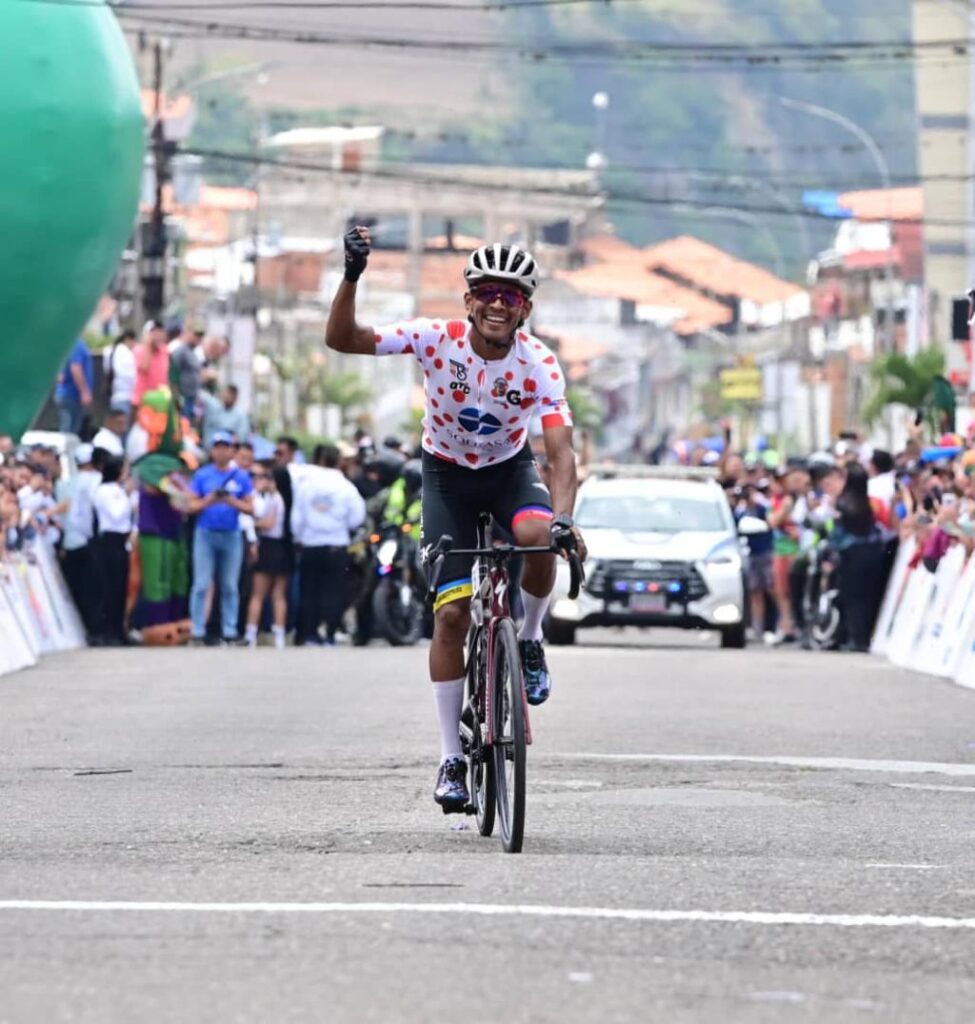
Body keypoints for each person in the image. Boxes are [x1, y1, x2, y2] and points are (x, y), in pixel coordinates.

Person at [325, 228, 586, 812]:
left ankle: (531, 637)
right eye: (488, 291)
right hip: (445, 477)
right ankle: (450, 757)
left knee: (538, 535)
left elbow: (562, 454)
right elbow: (343, 339)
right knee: (452, 617)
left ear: (526, 308)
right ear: (468, 300)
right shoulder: (435, 339)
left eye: (512, 295)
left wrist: (565, 519)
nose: (498, 303)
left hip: (508, 470)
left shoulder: (539, 363)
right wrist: (352, 275)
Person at [291, 443, 367, 646]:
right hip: (337, 544)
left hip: (311, 544)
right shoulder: (345, 486)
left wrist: (299, 537)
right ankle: (331, 633)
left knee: (309, 590)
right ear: (338, 462)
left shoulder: (306, 484)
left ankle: (309, 634)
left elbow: (297, 517)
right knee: (334, 591)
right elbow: (357, 517)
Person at [186, 431, 254, 645]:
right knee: (201, 583)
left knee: (229, 585)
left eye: (226, 447)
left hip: (231, 534)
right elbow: (190, 505)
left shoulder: (241, 477)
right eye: (217, 447)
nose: (221, 451)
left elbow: (250, 507)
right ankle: (197, 629)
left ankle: (230, 629)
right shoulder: (202, 475)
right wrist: (210, 499)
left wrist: (230, 501)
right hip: (206, 533)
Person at [831, 462, 885, 652]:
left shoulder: (843, 502)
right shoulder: (868, 503)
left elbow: (838, 533)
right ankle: (862, 636)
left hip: (852, 555)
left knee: (853, 598)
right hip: (871, 553)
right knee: (867, 597)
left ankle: (856, 637)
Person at [57, 443, 101, 637]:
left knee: (79, 589)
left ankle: (86, 628)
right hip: (92, 542)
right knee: (95, 589)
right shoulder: (98, 480)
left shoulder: (67, 483)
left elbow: (66, 515)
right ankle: (95, 629)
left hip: (71, 541)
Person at [244, 464, 290, 649]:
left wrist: (254, 523)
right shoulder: (283, 499)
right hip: (281, 546)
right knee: (278, 595)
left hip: (270, 546)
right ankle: (278, 633)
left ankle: (251, 632)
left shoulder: (275, 499)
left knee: (259, 594)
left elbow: (269, 523)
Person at [91, 455, 134, 646]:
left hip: (121, 542)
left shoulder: (118, 490)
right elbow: (116, 514)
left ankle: (119, 629)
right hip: (109, 540)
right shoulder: (105, 491)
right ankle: (106, 631)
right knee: (109, 587)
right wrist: (128, 497)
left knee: (120, 587)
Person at [54, 337, 94, 435]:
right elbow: (76, 368)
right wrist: (84, 392)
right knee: (70, 432)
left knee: (67, 428)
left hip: (65, 393)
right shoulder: (77, 345)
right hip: (71, 394)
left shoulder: (67, 344)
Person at [169, 323, 206, 419]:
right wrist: (176, 396)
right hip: (182, 397)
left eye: (200, 336)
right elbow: (173, 373)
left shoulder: (194, 352)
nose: (198, 338)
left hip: (192, 397)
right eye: (196, 335)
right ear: (188, 333)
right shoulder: (180, 352)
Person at [200, 383, 250, 449]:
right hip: (210, 449)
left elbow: (242, 436)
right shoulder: (214, 409)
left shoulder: (241, 415)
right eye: (227, 394)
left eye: (232, 395)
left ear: (236, 397)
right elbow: (201, 395)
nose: (228, 397)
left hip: (229, 449)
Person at [132, 321, 171, 406]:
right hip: (143, 400)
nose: (158, 336)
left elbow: (165, 374)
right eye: (155, 332)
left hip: (160, 399)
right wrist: (148, 344)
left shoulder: (164, 350)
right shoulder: (139, 350)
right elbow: (144, 368)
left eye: (161, 332)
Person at [103, 329, 137, 422]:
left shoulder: (110, 351)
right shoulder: (125, 353)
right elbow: (131, 375)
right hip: (126, 394)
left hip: (115, 393)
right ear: (128, 340)